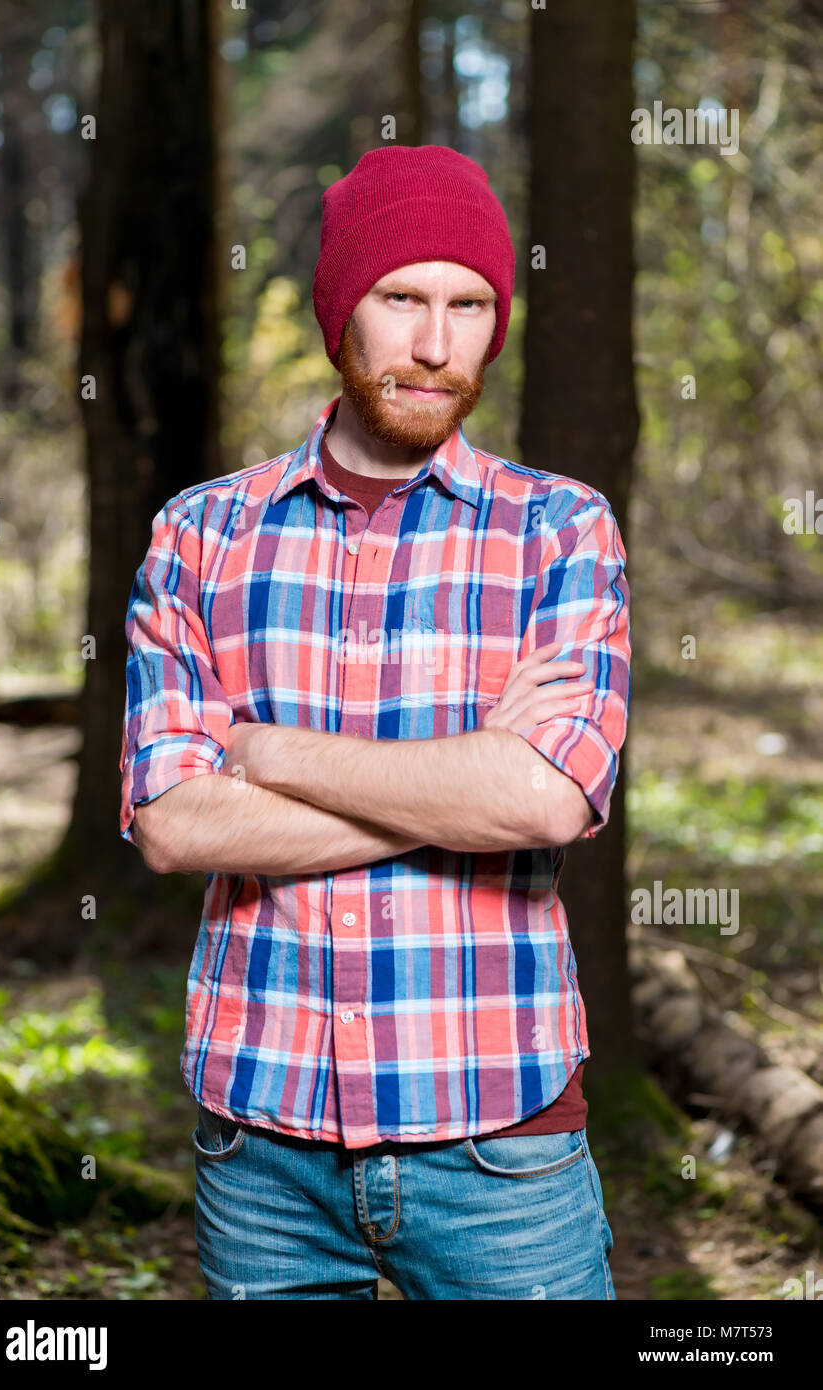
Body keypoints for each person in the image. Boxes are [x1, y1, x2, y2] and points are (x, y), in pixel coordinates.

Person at [119, 144, 631, 1300]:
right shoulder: (201, 535)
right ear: (340, 312)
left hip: (502, 1136)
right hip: (262, 1143)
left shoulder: (559, 531)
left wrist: (267, 752)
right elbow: (170, 824)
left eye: (472, 305)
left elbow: (549, 798)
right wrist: (467, 791)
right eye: (403, 298)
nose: (439, 345)